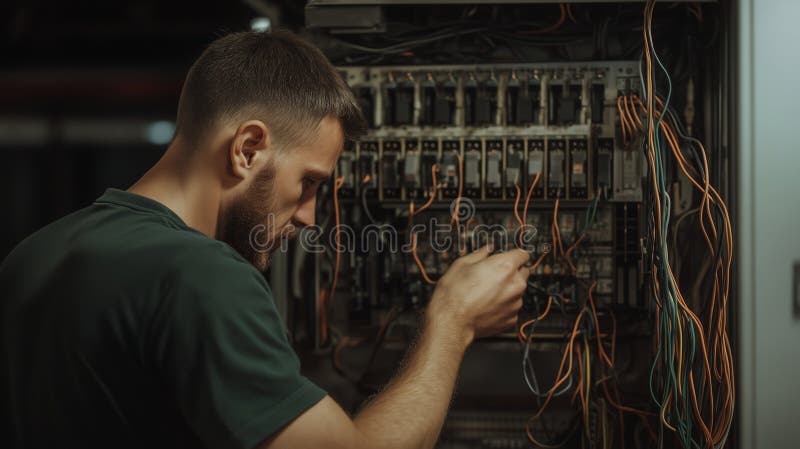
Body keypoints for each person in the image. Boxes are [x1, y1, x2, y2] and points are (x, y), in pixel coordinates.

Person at [0, 30, 529, 449]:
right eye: (309, 183)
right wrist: (452, 322)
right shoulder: (201, 275)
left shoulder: (32, 256)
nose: (307, 218)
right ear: (248, 148)